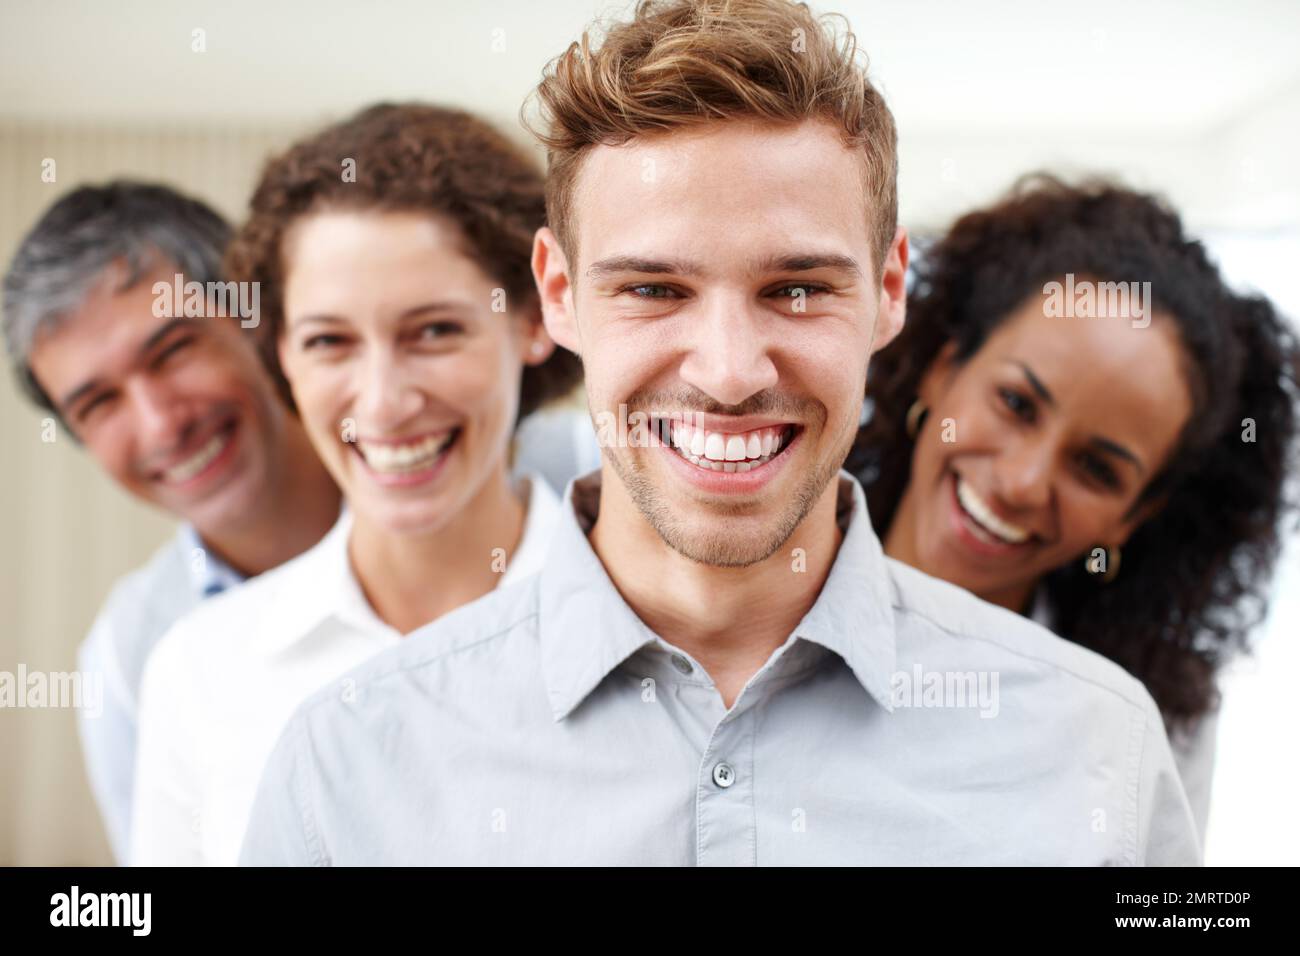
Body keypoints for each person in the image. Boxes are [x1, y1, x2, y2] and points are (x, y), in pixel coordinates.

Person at [239, 0, 1200, 866]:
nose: (730, 372)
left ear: (890, 291)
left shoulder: (1096, 746)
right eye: (654, 289)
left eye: (797, 289)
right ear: (560, 295)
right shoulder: (348, 764)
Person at [129, 103, 583, 865]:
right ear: (282, 357)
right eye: (329, 341)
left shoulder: (656, 629)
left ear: (534, 320)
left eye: (435, 330)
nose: (381, 401)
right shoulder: (201, 671)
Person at [846, 175, 1300, 842]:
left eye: (1096, 468)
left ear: (1135, 515)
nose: (1023, 483)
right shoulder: (734, 586)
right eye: (1017, 404)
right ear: (943, 370)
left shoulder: (1146, 725)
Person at [1, 182, 341, 861]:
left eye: (172, 351)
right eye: (98, 403)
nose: (162, 425)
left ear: (255, 315)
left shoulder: (539, 479)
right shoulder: (131, 656)